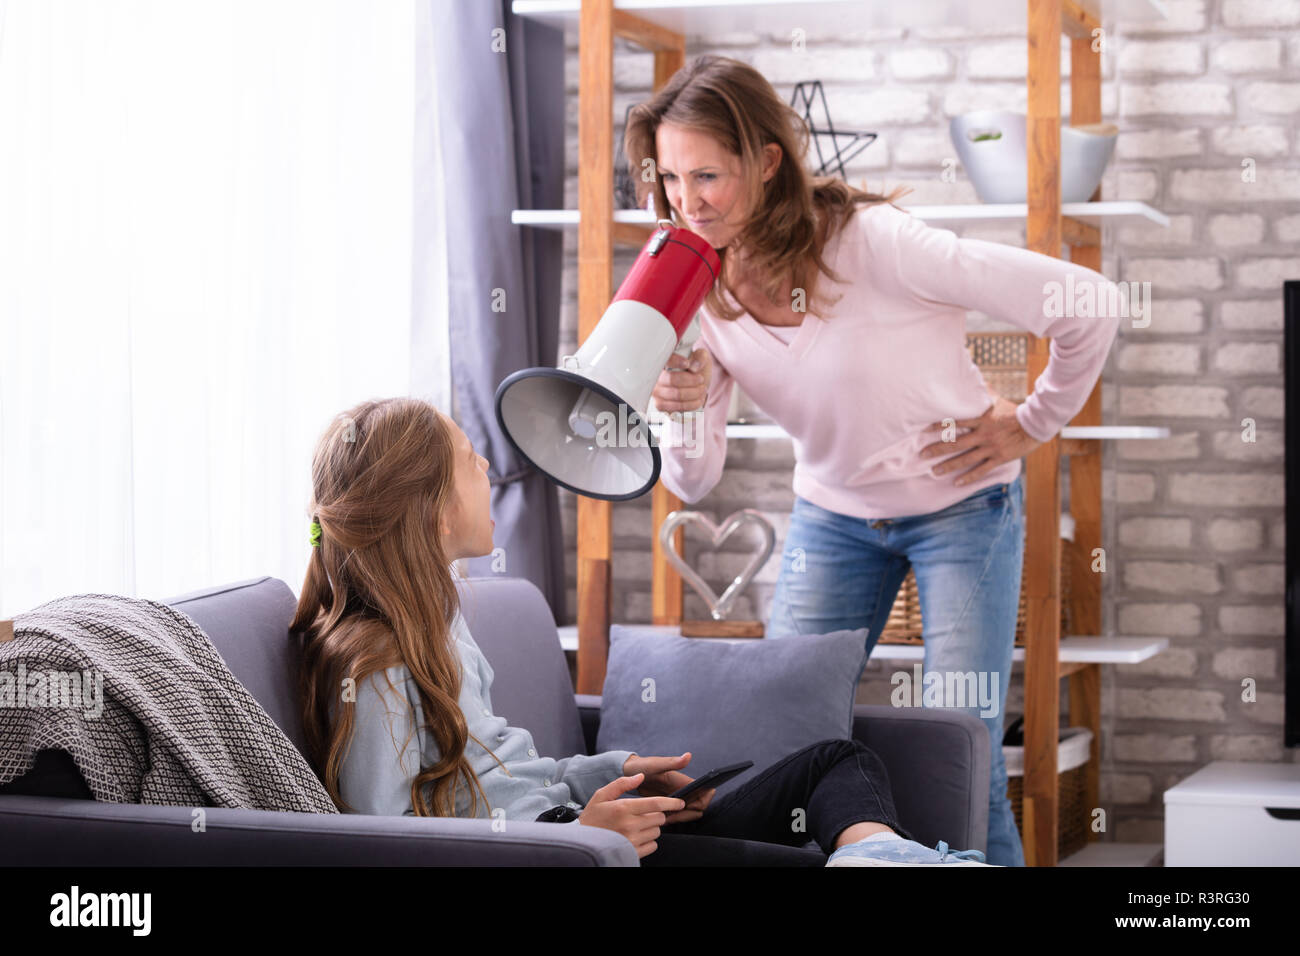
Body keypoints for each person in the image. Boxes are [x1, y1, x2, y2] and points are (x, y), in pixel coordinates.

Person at [640, 56, 1125, 868]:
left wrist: (1035, 420)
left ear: (766, 162)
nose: (687, 200)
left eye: (708, 175)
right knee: (780, 740)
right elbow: (693, 480)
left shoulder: (876, 245)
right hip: (832, 516)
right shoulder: (696, 278)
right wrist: (677, 404)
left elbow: (1091, 304)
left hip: (965, 509)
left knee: (961, 748)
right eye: (669, 178)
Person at [291, 396, 992, 866]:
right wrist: (583, 840)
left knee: (838, 761)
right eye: (472, 462)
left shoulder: (439, 620)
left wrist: (618, 772)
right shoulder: (373, 667)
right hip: (572, 854)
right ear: (433, 511)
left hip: (584, 829)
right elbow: (386, 843)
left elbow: (509, 775)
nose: (488, 472)